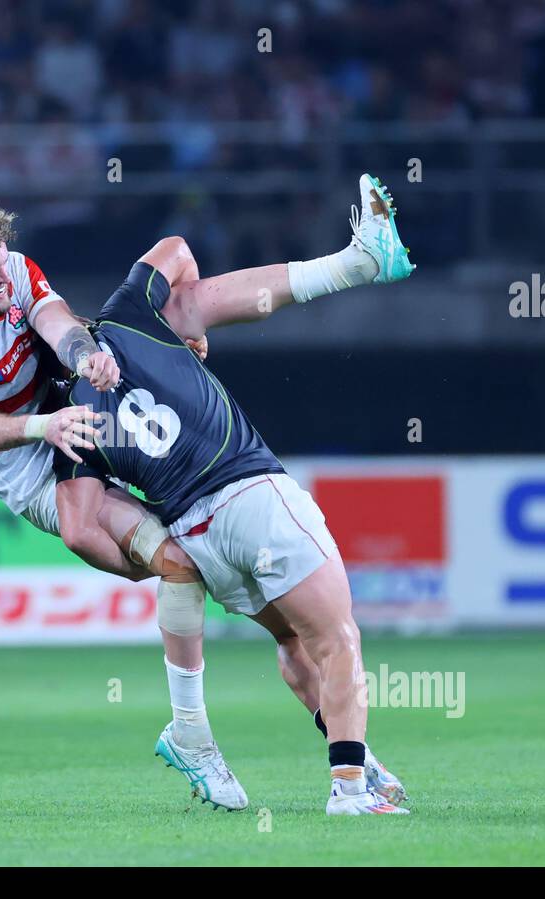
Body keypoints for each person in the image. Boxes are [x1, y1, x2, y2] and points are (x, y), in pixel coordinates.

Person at [54, 175, 415, 815]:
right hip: (252, 497)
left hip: (196, 538)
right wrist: (183, 327)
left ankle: (355, 760)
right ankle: (349, 789)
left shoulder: (68, 420)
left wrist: (149, 563)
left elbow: (80, 529)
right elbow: (176, 245)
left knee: (293, 645)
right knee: (337, 641)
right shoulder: (127, 317)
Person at [0, 196, 248, 808]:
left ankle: (199, 715)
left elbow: (61, 326)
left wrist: (88, 355)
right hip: (29, 461)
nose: (3, 278)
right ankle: (192, 732)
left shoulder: (16, 270)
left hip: (79, 411)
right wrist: (45, 427)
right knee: (143, 556)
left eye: (3, 264)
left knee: (153, 360)